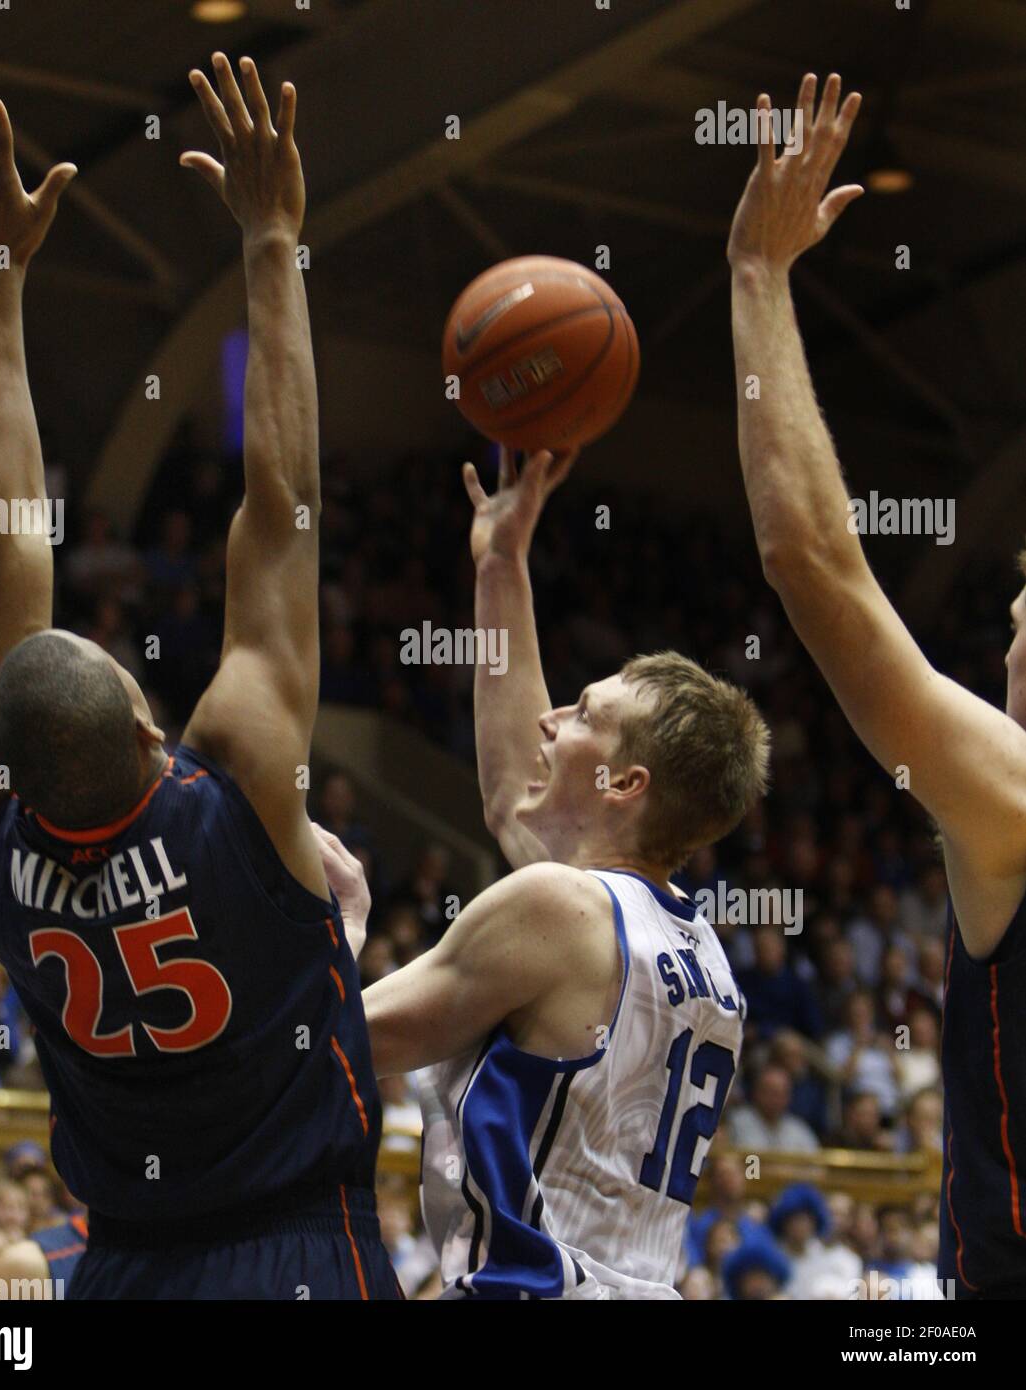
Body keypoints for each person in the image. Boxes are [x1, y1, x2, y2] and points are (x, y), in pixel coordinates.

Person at [0, 62, 396, 1300]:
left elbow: (5, 531)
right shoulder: (232, 773)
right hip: (294, 1243)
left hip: (119, 1262)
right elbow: (281, 507)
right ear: (143, 720)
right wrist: (275, 235)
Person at [728, 68, 1026, 1297]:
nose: (1003, 651)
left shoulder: (1013, 803)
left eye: (1020, 630)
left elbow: (812, 566)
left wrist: (755, 277)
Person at [345, 446, 770, 1299]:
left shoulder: (562, 909)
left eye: (583, 715)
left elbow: (337, 1039)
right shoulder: (694, 951)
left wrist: (339, 926)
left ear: (623, 783)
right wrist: (502, 564)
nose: (549, 717)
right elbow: (515, 795)